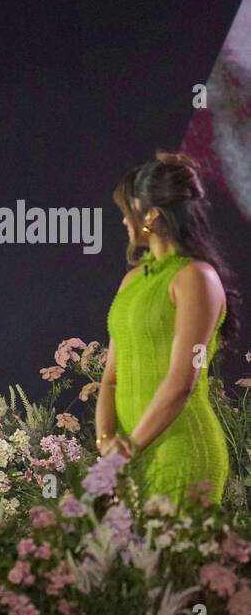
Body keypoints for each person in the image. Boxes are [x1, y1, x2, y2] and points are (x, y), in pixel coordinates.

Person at [98, 151, 240, 505]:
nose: (123, 222)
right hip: (127, 460)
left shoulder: (196, 278)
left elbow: (181, 383)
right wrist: (106, 445)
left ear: (153, 217)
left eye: (128, 210)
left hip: (180, 454)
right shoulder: (132, 281)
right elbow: (110, 379)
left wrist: (124, 452)